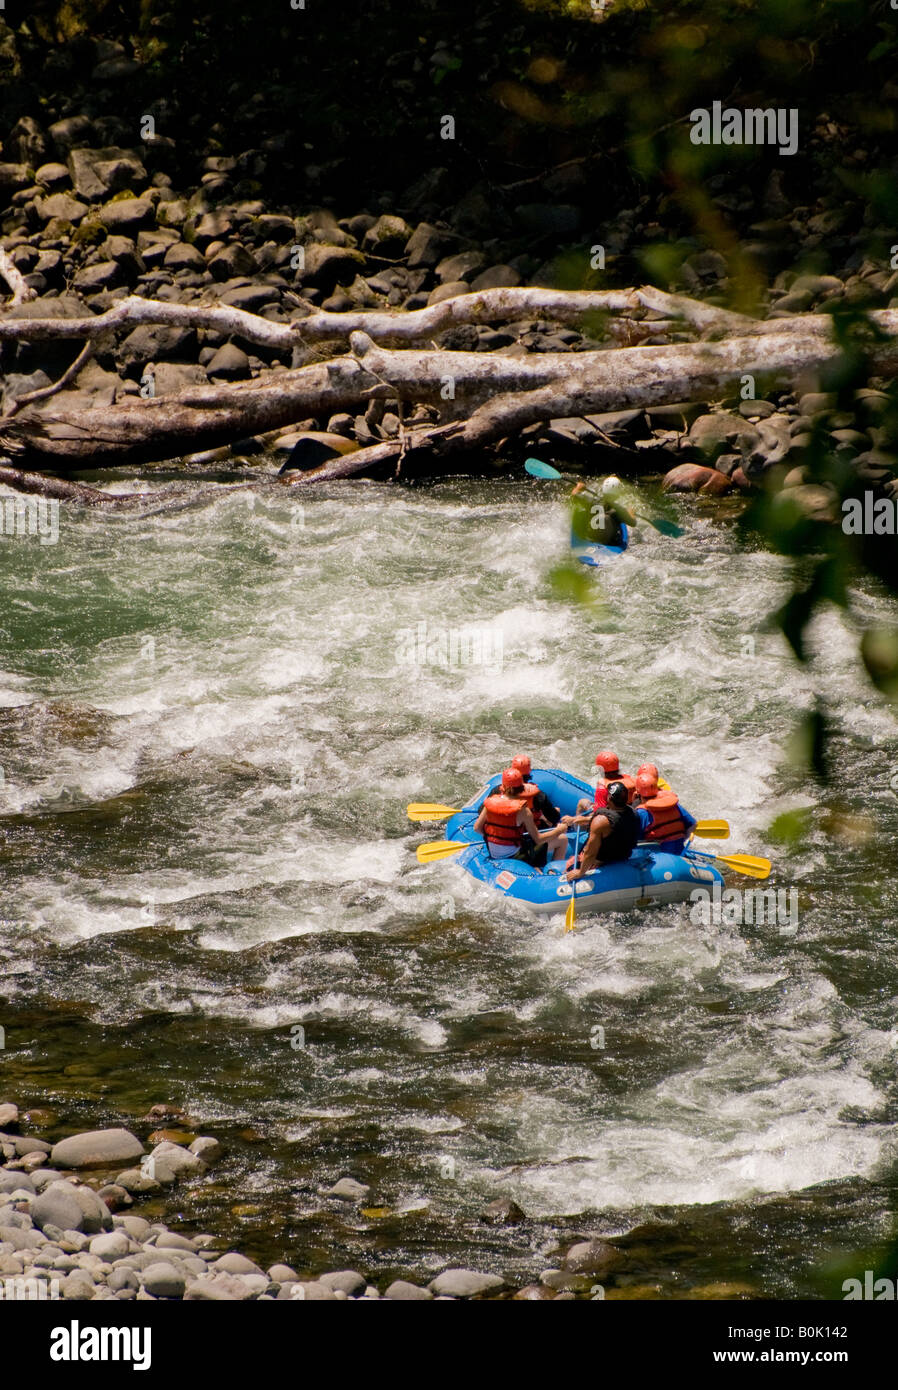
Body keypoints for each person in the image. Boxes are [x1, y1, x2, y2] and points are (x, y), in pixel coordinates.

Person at [474, 767, 568, 864]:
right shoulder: (523, 810)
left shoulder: (490, 802)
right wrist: (559, 830)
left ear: (503, 786)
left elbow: (477, 828)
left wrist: (492, 838)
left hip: (493, 853)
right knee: (562, 840)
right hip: (514, 855)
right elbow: (539, 839)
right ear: (521, 786)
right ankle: (552, 871)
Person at [565, 781, 641, 880]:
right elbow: (618, 821)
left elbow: (590, 853)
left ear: (609, 798)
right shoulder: (634, 813)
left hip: (600, 863)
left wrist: (580, 872)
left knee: (568, 865)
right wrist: (584, 820)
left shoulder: (601, 822)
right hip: (623, 857)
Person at [634, 770, 696, 854]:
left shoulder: (642, 812)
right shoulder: (674, 805)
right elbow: (693, 824)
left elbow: (634, 840)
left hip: (657, 855)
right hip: (679, 850)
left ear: (638, 792)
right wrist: (682, 838)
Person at [574, 749, 635, 816]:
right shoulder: (628, 778)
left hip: (610, 819)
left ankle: (576, 825)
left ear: (601, 769)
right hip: (629, 815)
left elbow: (598, 815)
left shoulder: (602, 788)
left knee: (582, 802)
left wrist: (576, 819)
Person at [510, 755, 560, 828]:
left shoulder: (497, 791)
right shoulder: (539, 795)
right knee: (556, 811)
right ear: (529, 772)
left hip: (507, 830)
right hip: (530, 832)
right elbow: (554, 818)